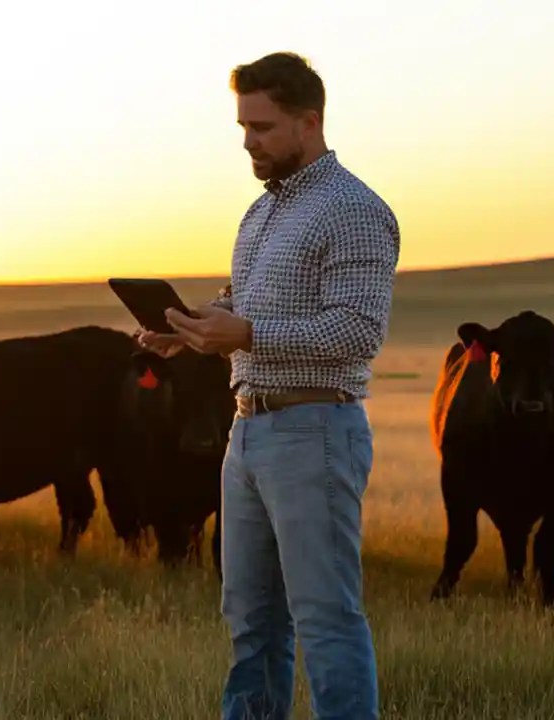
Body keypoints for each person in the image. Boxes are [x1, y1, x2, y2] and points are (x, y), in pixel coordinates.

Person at [137, 51, 400, 720]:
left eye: (261, 127)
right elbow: (245, 301)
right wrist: (191, 329)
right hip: (248, 431)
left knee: (325, 619)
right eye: (242, 127)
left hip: (315, 432)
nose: (248, 142)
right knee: (251, 621)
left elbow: (356, 332)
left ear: (308, 122)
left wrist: (246, 335)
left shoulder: (356, 211)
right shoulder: (260, 214)